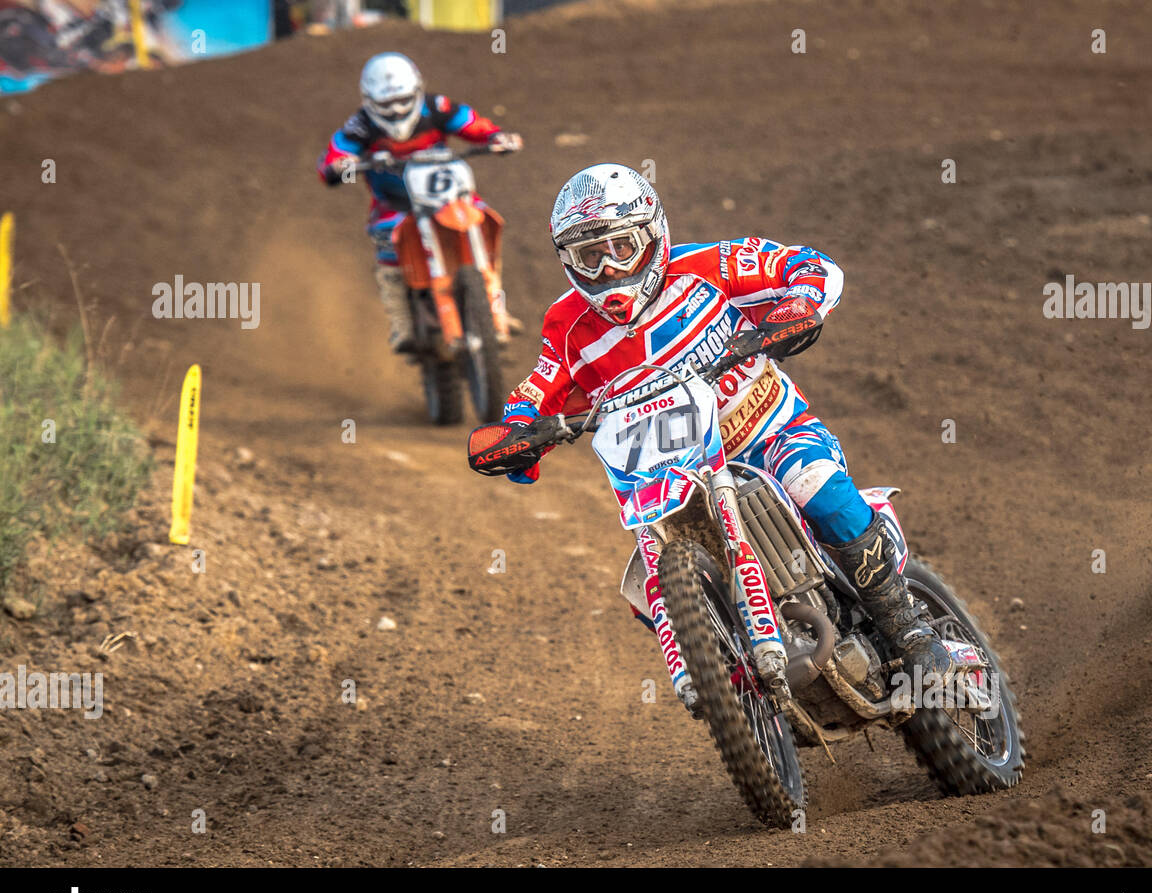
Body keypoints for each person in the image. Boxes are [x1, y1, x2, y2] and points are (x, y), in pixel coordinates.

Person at [467, 163, 953, 713]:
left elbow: (808, 265)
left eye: (620, 247)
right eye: (588, 257)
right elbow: (540, 385)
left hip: (769, 431)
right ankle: (723, 668)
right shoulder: (567, 324)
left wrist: (799, 305)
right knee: (646, 593)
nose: (606, 268)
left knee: (820, 491)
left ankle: (910, 629)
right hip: (670, 470)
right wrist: (518, 430)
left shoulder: (710, 266)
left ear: (651, 235)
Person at [317, 51, 522, 351]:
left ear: (417, 90)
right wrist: (338, 165)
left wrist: (496, 137)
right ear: (369, 101)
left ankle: (496, 306)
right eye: (386, 104)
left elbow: (471, 124)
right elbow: (334, 155)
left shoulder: (437, 107)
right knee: (387, 240)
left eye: (403, 99)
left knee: (484, 220)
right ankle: (401, 323)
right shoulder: (360, 126)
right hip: (394, 204)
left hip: (447, 195)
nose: (397, 110)